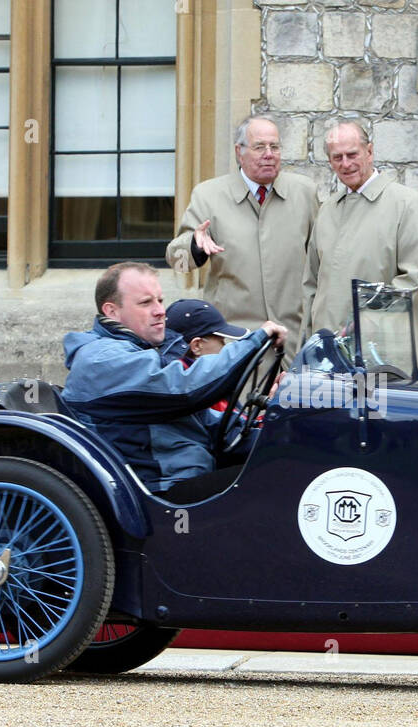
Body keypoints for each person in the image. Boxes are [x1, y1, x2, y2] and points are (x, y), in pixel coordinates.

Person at [62, 262, 287, 494]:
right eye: (145, 302)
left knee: (284, 461)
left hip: (183, 471)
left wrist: (276, 428)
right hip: (160, 486)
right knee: (273, 485)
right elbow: (185, 387)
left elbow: (206, 421)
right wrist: (254, 341)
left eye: (160, 300)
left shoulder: (139, 351)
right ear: (111, 311)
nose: (160, 311)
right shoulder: (101, 359)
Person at [165, 114, 318, 362]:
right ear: (239, 152)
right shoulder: (208, 195)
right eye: (259, 147)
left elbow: (320, 261)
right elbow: (178, 263)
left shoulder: (304, 192)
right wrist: (195, 246)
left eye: (275, 146)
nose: (269, 154)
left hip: (294, 344)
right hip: (236, 346)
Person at [302, 120, 418, 342]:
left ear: (369, 151)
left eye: (352, 155)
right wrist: (307, 345)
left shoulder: (406, 203)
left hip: (382, 352)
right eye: (337, 157)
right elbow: (312, 286)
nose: (345, 164)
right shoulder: (327, 210)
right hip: (326, 352)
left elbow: (411, 281)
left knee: (371, 380)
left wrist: (362, 322)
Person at [166, 298, 249, 412]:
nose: (225, 347)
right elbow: (236, 428)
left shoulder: (177, 385)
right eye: (221, 341)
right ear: (196, 346)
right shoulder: (203, 393)